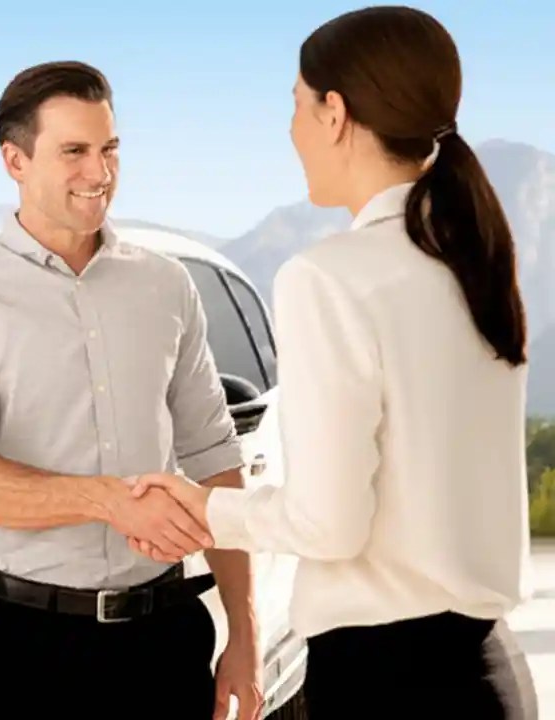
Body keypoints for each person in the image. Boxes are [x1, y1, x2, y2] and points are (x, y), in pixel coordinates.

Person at [127, 6, 539, 719]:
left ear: (335, 113)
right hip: (490, 673)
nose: (290, 131)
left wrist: (203, 509)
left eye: (295, 105)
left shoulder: (328, 278)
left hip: (391, 683)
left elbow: (330, 524)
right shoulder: (474, 266)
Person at [0, 60, 263, 720]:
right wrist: (108, 501)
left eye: (109, 150)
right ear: (15, 160)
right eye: (73, 151)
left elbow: (215, 457)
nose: (99, 173)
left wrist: (244, 636)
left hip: (167, 640)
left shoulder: (165, 285)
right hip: (26, 652)